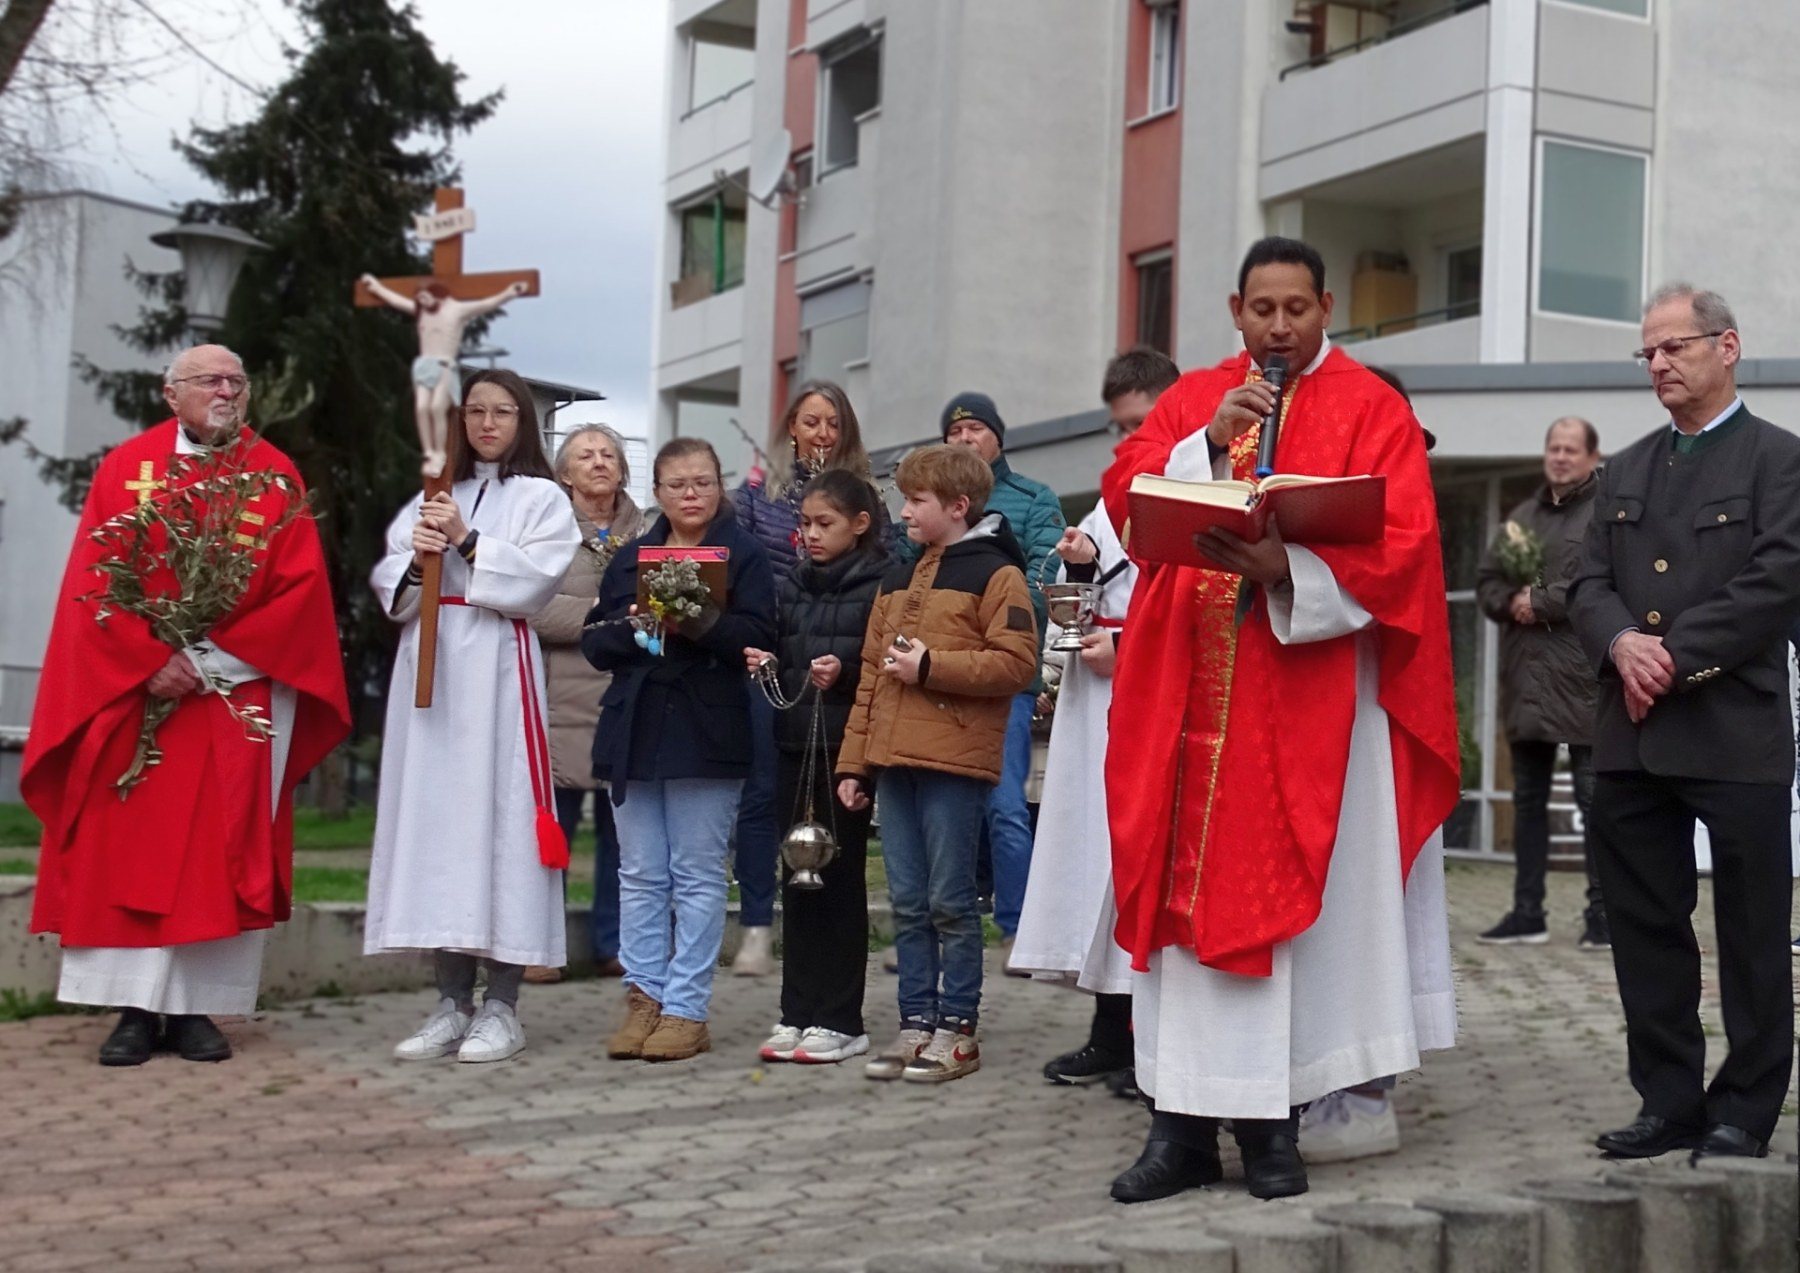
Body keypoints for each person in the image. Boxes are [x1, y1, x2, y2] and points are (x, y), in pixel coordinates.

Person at [1101, 237, 1460, 1202]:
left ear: (1327, 307)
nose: (1279, 327)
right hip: (1186, 694)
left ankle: (1272, 1131)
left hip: (1302, 699)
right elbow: (1127, 492)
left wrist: (1288, 569)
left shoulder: (1372, 408)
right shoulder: (1197, 396)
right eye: (1262, 309)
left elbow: (1407, 545)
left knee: (1286, 914)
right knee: (1182, 918)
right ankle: (1177, 1131)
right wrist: (1207, 442)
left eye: (1297, 308)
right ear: (1236, 309)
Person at [26, 343, 349, 1065]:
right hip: (134, 693)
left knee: (214, 851)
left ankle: (197, 1008)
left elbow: (298, 593)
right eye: (210, 380)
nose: (226, 390)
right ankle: (133, 1010)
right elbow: (93, 582)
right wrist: (149, 660)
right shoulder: (126, 468)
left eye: (237, 380)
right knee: (127, 846)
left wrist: (206, 660)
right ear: (171, 394)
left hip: (228, 694)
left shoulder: (272, 474)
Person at [1569, 285, 1799, 1164]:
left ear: (1727, 347)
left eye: (1675, 346)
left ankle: (1745, 1107)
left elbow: (1774, 581)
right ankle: (1667, 1101)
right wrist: (1621, 642)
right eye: (1649, 352)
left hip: (1734, 732)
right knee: (1645, 928)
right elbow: (1587, 582)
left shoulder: (1780, 460)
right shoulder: (1624, 468)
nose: (1659, 363)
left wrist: (1668, 657)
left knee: (1751, 931)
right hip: (1630, 735)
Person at [366, 368, 581, 1064]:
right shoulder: (433, 494)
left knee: (502, 823)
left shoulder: (542, 497)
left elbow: (538, 581)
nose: (488, 424)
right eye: (477, 411)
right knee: (439, 827)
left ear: (523, 422)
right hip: (432, 671)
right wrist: (416, 560)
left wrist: (467, 541)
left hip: (495, 665)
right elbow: (392, 583)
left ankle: (502, 1005)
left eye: (503, 412)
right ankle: (451, 1002)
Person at [836, 444, 1038, 1084]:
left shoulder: (999, 575)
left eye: (916, 501)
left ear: (958, 506)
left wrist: (931, 666)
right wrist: (854, 765)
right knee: (907, 901)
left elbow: (1016, 664)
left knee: (951, 901)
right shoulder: (896, 579)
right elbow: (871, 679)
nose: (903, 512)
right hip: (893, 762)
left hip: (953, 763)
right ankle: (915, 1025)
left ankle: (958, 1030)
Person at [1010, 347, 1178, 1093]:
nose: (1131, 441)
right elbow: (1075, 599)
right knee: (1098, 867)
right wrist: (1077, 565)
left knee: (1147, 867)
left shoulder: (1196, 493)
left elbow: (1206, 613)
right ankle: (1110, 1034)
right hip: (1097, 707)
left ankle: (1156, 1047)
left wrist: (1130, 647)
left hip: (1157, 702)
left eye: (1143, 423)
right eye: (1121, 428)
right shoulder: (1110, 505)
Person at [585, 438, 777, 1063]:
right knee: (640, 872)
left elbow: (760, 635)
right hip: (636, 725)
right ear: (658, 492)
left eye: (703, 482)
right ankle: (643, 996)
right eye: (677, 485)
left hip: (707, 725)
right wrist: (637, 626)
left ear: (719, 486)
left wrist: (698, 620)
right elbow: (594, 641)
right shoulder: (632, 555)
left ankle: (686, 1009)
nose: (691, 495)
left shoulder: (744, 554)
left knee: (696, 873)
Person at [728, 381, 881, 977]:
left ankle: (828, 942)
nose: (822, 433)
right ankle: (757, 924)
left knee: (830, 800)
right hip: (777, 655)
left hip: (840, 660)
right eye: (811, 421)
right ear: (791, 426)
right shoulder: (757, 495)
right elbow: (743, 571)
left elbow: (883, 575)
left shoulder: (866, 495)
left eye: (833, 423)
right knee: (764, 794)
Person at [743, 470, 890, 1065]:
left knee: (838, 878)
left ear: (860, 524)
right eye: (804, 523)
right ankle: (796, 1011)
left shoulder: (884, 583)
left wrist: (844, 674)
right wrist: (770, 663)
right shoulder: (794, 583)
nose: (810, 534)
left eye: (824, 523)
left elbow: (881, 669)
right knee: (797, 875)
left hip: (845, 750)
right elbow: (787, 650)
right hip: (793, 744)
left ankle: (841, 1018)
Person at [938, 392, 1067, 950]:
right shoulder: (934, 503)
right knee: (945, 806)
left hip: (1006, 676)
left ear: (998, 438)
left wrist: (975, 619)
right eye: (955, 431)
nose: (965, 438)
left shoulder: (1034, 499)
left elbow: (1044, 580)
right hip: (939, 674)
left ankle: (1019, 927)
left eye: (975, 429)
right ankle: (950, 921)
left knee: (1006, 804)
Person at [1475, 418, 1608, 950]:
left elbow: (1602, 582)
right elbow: (1489, 581)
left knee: (1594, 802)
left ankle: (1603, 917)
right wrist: (1509, 601)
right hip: (1527, 678)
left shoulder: (1605, 513)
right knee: (1527, 802)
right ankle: (1527, 913)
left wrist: (1542, 601)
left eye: (1571, 449)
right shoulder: (1523, 519)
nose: (1560, 457)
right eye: (1554, 448)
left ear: (1592, 458)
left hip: (1583, 680)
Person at [528, 424, 645, 982]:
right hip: (561, 703)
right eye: (585, 456)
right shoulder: (544, 530)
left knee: (624, 838)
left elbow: (664, 605)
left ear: (622, 469)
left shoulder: (648, 531)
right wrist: (609, 615)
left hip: (626, 699)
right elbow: (532, 607)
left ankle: (615, 944)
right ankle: (538, 947)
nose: (599, 462)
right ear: (564, 475)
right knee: (553, 833)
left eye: (608, 455)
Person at [358, 274, 530, 479]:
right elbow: (397, 301)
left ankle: (439, 452)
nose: (422, 301)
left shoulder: (454, 310)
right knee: (422, 408)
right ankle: (430, 452)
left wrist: (509, 293)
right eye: (420, 298)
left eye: (426, 296)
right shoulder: (423, 312)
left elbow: (484, 304)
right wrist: (376, 288)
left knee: (437, 408)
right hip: (425, 366)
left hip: (443, 365)